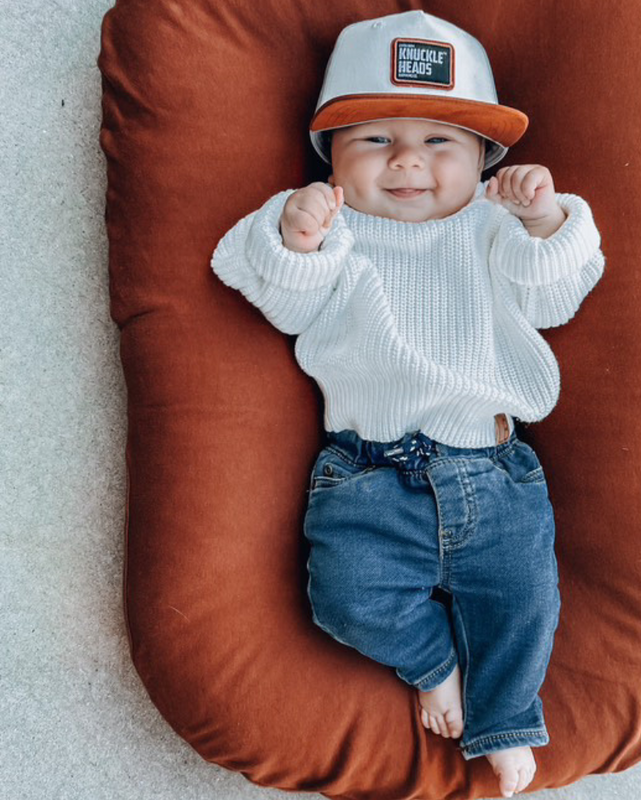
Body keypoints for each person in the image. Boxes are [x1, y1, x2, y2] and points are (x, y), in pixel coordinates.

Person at [210, 10, 605, 797]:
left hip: (492, 471)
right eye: (376, 140)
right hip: (368, 473)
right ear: (332, 159)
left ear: (485, 158)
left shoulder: (494, 227)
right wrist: (296, 236)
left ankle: (506, 718)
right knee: (345, 595)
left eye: (439, 142)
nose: (407, 163)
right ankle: (432, 662)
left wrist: (545, 218)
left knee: (524, 599)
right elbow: (278, 296)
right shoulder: (335, 229)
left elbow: (558, 294)